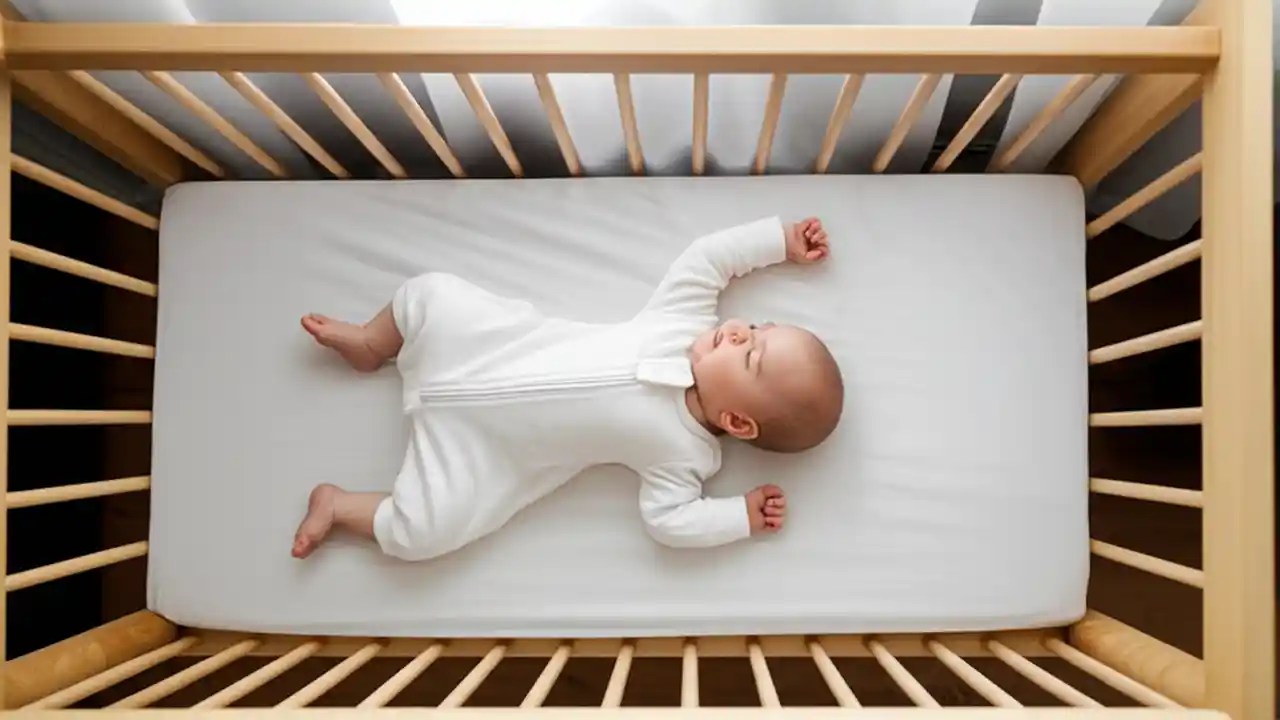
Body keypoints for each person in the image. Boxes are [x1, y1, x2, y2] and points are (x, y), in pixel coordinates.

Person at [292, 216, 843, 561]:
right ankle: (371, 342)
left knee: (422, 534)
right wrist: (778, 241)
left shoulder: (686, 457)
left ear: (738, 424)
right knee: (430, 293)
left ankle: (339, 507)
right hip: (486, 348)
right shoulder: (681, 320)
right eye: (762, 326)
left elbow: (670, 523)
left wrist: (738, 517)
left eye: (751, 354)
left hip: (487, 451)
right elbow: (707, 259)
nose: (744, 330)